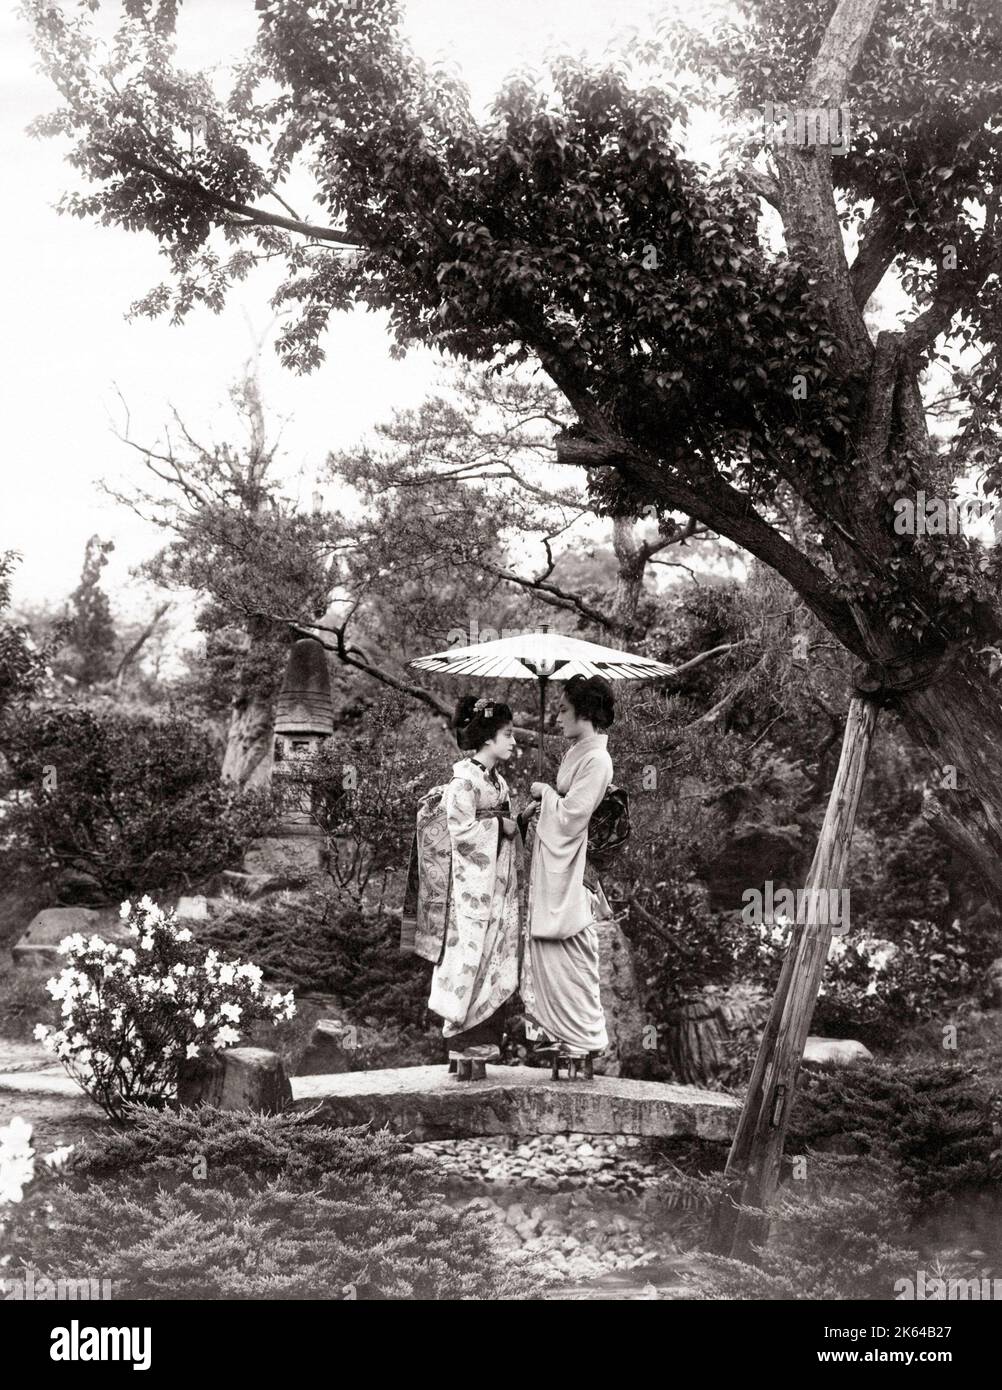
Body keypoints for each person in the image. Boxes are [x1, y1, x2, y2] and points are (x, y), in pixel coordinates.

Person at [519, 674, 615, 1059]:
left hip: (576, 863)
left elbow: (574, 815)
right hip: (560, 860)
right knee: (552, 947)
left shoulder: (597, 758)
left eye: (563, 710)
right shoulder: (580, 753)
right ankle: (561, 1032)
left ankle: (585, 1038)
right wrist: (540, 804)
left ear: (585, 713)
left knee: (575, 944)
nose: (557, 718)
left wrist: (544, 793)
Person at [427, 695, 524, 1065]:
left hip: (496, 883)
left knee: (494, 951)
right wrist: (500, 824)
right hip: (472, 889)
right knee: (470, 950)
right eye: (508, 734)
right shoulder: (463, 781)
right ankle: (462, 1037)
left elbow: (507, 825)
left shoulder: (496, 781)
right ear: (487, 739)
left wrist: (520, 818)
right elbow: (461, 833)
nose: (513, 741)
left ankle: (485, 1035)